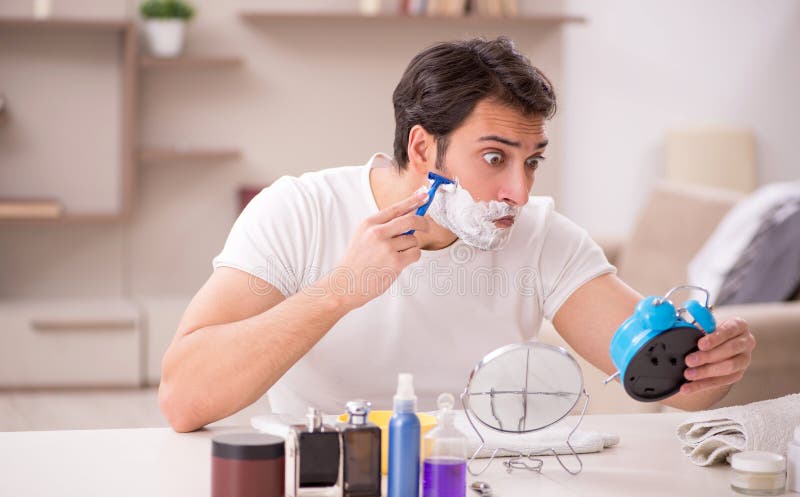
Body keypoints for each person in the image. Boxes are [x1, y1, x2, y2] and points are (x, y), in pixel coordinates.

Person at [159, 37, 755, 432]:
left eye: (532, 161)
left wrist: (712, 371)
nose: (518, 193)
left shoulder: (542, 236)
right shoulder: (298, 211)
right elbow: (184, 398)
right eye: (495, 158)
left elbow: (677, 388)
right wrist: (338, 290)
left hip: (482, 487)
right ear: (422, 148)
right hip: (326, 486)